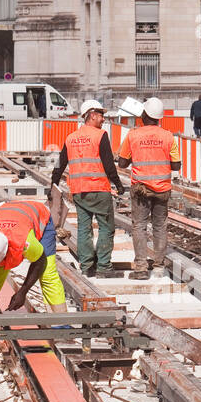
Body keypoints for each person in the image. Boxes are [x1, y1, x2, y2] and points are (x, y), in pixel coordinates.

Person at [50, 98, 124, 278]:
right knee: (106, 227)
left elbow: (60, 164)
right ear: (91, 115)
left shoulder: (71, 138)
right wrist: (118, 184)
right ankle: (103, 267)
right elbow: (108, 165)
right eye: (100, 115)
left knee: (84, 228)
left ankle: (86, 267)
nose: (103, 119)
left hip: (79, 191)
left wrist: (53, 184)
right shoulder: (100, 135)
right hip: (98, 189)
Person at [0, 199, 67, 317]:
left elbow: (40, 262)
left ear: (5, 253)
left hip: (39, 216)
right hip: (11, 215)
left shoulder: (24, 242)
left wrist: (23, 292)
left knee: (47, 274)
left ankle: (60, 321)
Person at [117, 97, 181, 280]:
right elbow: (176, 165)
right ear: (159, 118)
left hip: (140, 189)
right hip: (162, 189)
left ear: (144, 114)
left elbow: (122, 162)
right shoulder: (168, 136)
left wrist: (134, 157)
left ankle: (141, 269)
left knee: (140, 227)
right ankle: (159, 267)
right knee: (160, 226)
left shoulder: (133, 135)